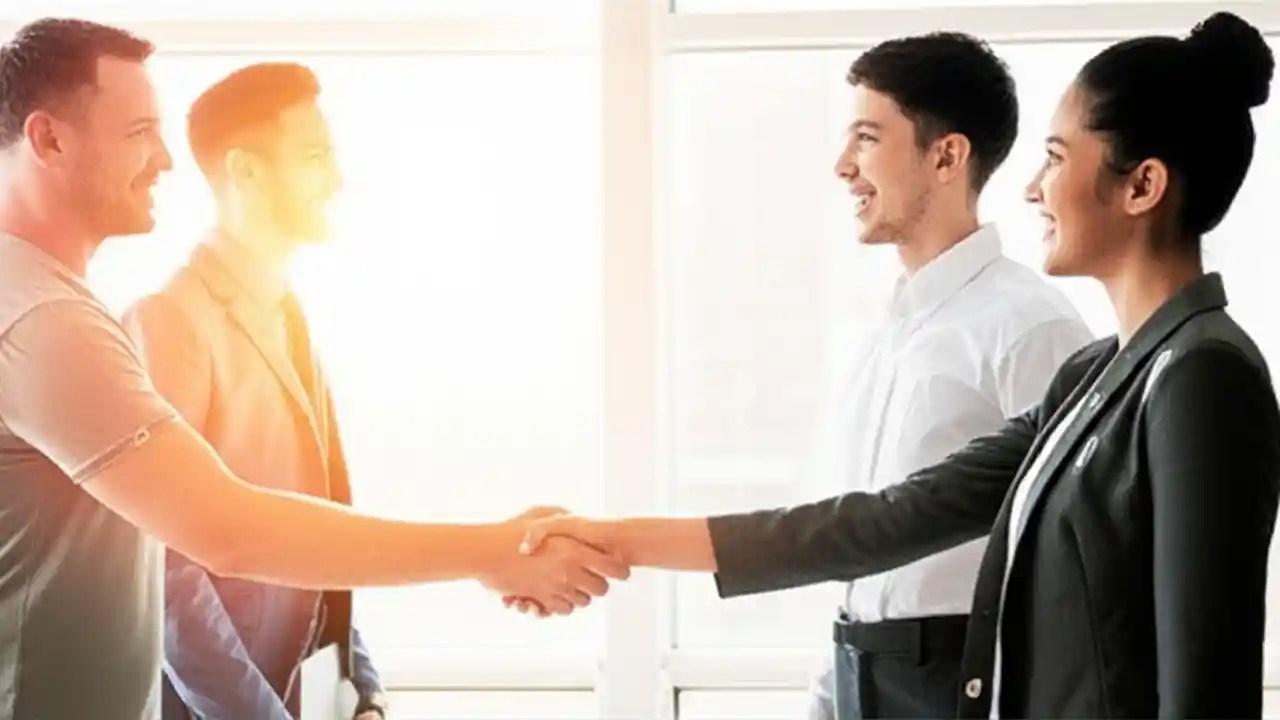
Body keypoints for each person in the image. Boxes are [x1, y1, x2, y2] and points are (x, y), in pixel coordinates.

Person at [519, 11, 1279, 718]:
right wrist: (619, 536)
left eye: (1054, 158)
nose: (1031, 187)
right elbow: (889, 521)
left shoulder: (1202, 373)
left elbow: (1207, 686)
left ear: (1142, 185)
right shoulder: (1095, 374)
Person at [0, 18, 625, 720]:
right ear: (49, 139)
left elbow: (298, 524)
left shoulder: (56, 302)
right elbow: (223, 534)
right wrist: (493, 550)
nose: (167, 161)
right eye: (139, 131)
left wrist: (362, 683)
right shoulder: (45, 319)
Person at [122, 64, 384, 720]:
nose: (338, 180)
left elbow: (314, 522)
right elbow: (162, 572)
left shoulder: (289, 314)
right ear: (244, 171)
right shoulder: (170, 319)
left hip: (312, 691)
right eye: (314, 156)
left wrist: (363, 687)